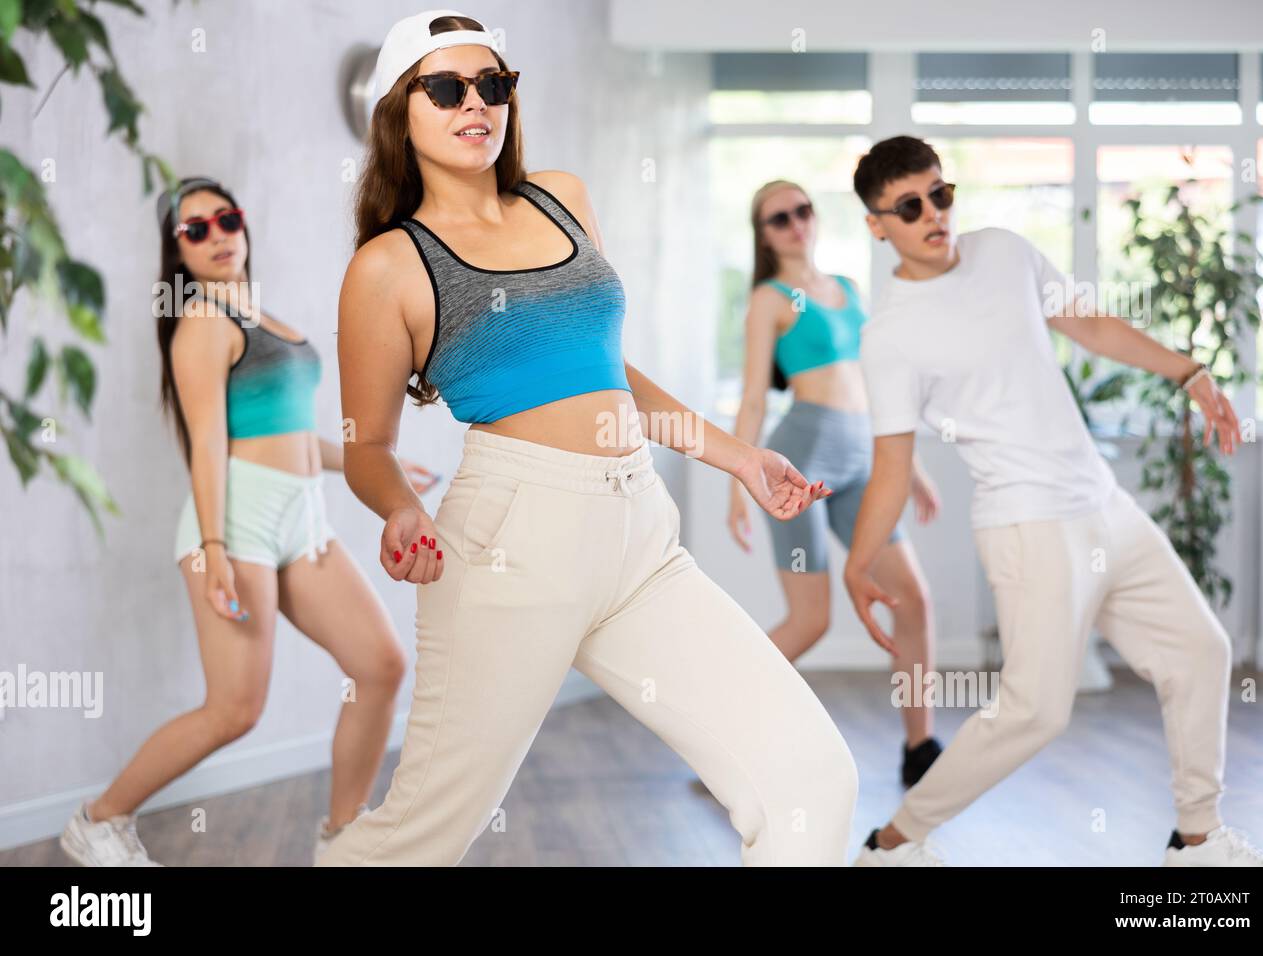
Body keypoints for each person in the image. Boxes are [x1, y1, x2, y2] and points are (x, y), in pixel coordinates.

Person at [315, 9, 861, 867]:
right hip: (508, 548)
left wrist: (742, 457)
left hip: (640, 534)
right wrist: (397, 511)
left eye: (493, 84)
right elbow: (366, 445)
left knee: (811, 778)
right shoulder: (388, 266)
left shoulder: (561, 197)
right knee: (416, 841)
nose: (476, 103)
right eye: (448, 87)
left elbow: (610, 376)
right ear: (400, 109)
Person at [844, 136, 1263, 867]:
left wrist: (1190, 372)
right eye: (909, 206)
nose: (933, 214)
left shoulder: (1005, 253)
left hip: (1102, 504)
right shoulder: (891, 336)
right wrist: (860, 565)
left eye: (940, 194)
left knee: (1200, 650)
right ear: (878, 224)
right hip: (1027, 524)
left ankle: (1197, 841)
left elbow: (1090, 323)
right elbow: (892, 462)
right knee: (1036, 711)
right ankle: (892, 845)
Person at [59, 177, 429, 866]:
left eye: (225, 218)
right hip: (237, 522)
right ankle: (98, 819)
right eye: (195, 229)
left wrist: (377, 461)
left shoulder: (267, 317)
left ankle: (342, 836)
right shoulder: (201, 323)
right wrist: (213, 549)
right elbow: (207, 445)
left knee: (380, 663)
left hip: (301, 522)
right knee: (235, 709)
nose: (217, 234)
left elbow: (287, 438)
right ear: (178, 253)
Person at [728, 179, 943, 786]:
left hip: (864, 461)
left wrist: (914, 469)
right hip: (802, 460)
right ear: (764, 235)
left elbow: (882, 388)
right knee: (811, 620)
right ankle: (719, 734)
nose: (796, 223)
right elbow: (751, 400)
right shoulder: (770, 299)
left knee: (914, 599)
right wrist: (735, 481)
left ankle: (919, 747)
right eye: (779, 218)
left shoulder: (848, 290)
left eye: (803, 210)